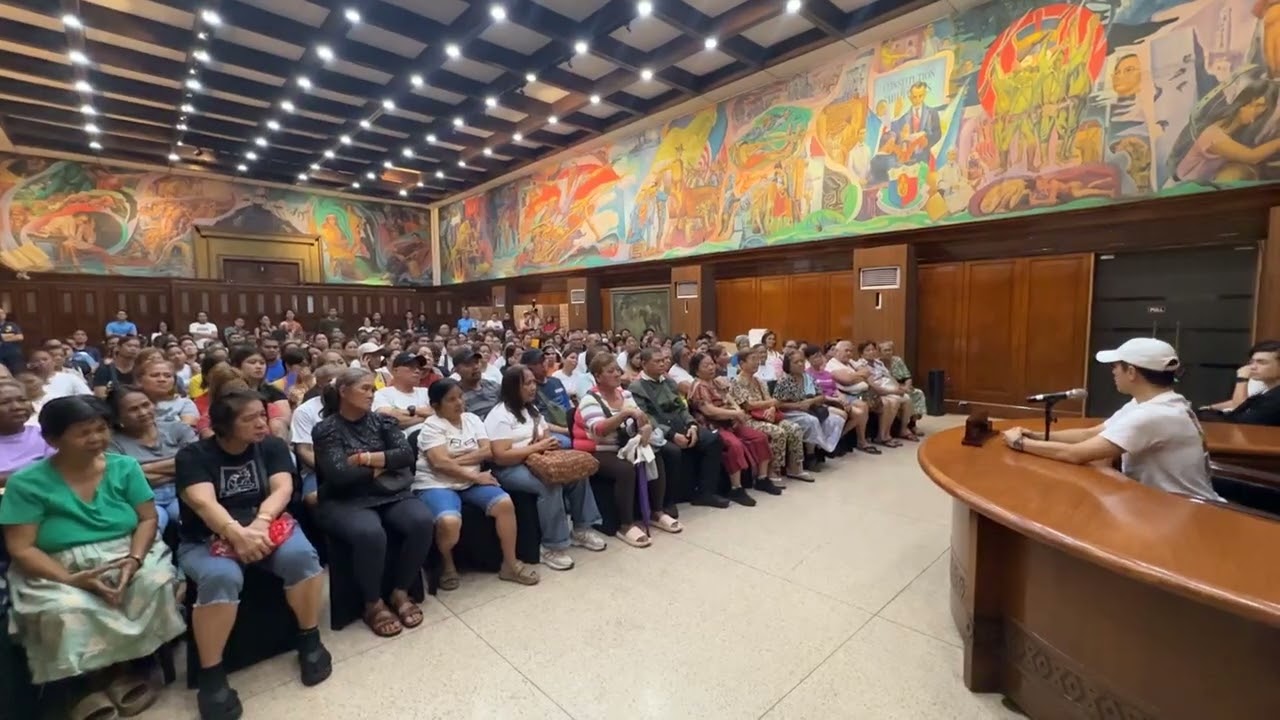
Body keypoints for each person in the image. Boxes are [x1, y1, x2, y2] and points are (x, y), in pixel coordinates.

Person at [0, 396, 186, 708]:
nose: (96, 438)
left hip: (126, 550)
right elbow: (21, 547)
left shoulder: (124, 467)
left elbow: (147, 519)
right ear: (52, 440)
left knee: (152, 583)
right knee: (65, 608)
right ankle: (91, 681)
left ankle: (130, 666)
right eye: (83, 433)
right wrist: (71, 579)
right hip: (56, 565)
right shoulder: (26, 483)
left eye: (101, 428)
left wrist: (134, 560)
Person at [176, 389, 331, 719]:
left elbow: (283, 489)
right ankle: (211, 673)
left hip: (267, 525)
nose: (262, 423)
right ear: (224, 425)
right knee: (221, 576)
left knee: (302, 558)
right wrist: (237, 534)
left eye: (262, 414)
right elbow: (203, 503)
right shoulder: (194, 456)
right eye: (250, 419)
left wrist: (260, 523)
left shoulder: (271, 446)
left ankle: (309, 637)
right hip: (208, 536)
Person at [1002, 338, 1219, 501]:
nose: (1113, 372)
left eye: (1115, 366)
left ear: (1131, 372)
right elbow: (1090, 434)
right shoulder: (1151, 403)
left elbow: (1075, 454)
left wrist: (1020, 443)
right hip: (1160, 504)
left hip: (1183, 510)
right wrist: (1037, 436)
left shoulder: (1154, 415)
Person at [311, 368, 433, 637]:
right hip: (344, 499)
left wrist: (364, 459)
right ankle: (372, 603)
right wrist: (383, 464)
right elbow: (340, 476)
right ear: (344, 391)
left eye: (373, 389)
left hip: (388, 492)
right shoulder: (326, 429)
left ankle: (400, 591)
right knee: (370, 533)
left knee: (422, 521)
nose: (371, 394)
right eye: (365, 389)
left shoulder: (382, 421)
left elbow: (406, 455)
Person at [414, 378, 539, 588]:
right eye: (451, 399)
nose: (459, 403)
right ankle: (447, 565)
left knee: (504, 504)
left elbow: (487, 451)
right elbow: (439, 464)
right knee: (449, 522)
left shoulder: (472, 419)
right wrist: (470, 472)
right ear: (436, 405)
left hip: (469, 480)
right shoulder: (431, 426)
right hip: (437, 483)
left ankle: (510, 564)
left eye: (460, 397)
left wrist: (452, 461)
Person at [486, 365, 606, 571]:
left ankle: (581, 529)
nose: (533, 387)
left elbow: (545, 436)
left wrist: (546, 443)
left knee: (577, 473)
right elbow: (501, 456)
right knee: (549, 485)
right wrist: (536, 447)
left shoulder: (530, 409)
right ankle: (552, 545)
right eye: (527, 383)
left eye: (534, 382)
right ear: (513, 387)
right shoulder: (500, 415)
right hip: (510, 468)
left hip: (537, 460)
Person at [579, 354, 687, 547]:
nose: (616, 374)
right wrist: (624, 414)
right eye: (610, 371)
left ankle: (656, 511)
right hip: (600, 449)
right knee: (625, 469)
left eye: (617, 370)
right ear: (598, 376)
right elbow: (599, 430)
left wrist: (645, 429)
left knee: (654, 454)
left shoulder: (625, 394)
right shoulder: (589, 399)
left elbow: (642, 419)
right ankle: (625, 524)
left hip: (626, 444)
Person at [630, 348, 730, 508]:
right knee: (673, 451)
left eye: (663, 360)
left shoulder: (669, 382)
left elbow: (682, 408)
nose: (662, 364)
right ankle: (668, 500)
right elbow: (648, 417)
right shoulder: (637, 387)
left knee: (713, 439)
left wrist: (692, 425)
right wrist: (671, 435)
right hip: (659, 431)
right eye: (657, 361)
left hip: (681, 424)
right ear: (643, 364)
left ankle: (706, 493)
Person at [107, 385, 197, 535]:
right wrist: (178, 467)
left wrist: (140, 470)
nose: (143, 412)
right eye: (133, 409)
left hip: (183, 492)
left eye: (146, 405)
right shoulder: (112, 443)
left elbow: (197, 463)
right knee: (152, 528)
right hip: (142, 500)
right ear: (118, 417)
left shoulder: (176, 429)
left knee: (196, 518)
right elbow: (122, 481)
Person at [685, 352, 770, 501]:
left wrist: (738, 412)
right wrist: (734, 414)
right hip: (712, 425)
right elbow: (709, 411)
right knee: (734, 445)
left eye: (712, 364)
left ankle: (762, 479)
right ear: (696, 370)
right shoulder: (698, 386)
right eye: (706, 365)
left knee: (760, 437)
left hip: (730, 421)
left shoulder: (717, 382)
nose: (711, 367)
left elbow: (731, 399)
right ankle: (736, 488)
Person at [731, 349, 815, 482]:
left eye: (757, 359)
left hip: (767, 415)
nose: (757, 362)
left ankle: (795, 468)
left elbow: (772, 401)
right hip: (749, 419)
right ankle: (773, 470)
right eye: (753, 359)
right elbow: (748, 406)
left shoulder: (759, 381)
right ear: (742, 363)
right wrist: (771, 403)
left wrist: (771, 409)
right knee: (778, 432)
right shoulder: (736, 382)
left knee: (794, 428)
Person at [774, 349, 845, 457]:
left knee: (836, 419)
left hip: (810, 408)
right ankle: (810, 454)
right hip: (791, 412)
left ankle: (823, 448)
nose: (800, 364)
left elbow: (821, 396)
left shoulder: (808, 378)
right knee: (812, 421)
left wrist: (810, 401)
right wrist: (798, 405)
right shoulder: (784, 381)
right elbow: (777, 404)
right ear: (788, 365)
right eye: (796, 362)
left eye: (802, 361)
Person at [805, 346, 874, 453]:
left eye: (820, 356)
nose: (818, 359)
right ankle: (827, 443)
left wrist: (842, 398)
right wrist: (837, 400)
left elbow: (835, 389)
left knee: (859, 413)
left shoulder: (826, 373)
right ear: (808, 359)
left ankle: (838, 437)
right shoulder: (808, 374)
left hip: (836, 399)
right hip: (823, 402)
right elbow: (816, 395)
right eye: (815, 357)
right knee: (846, 414)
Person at [1204, 340, 1280, 426]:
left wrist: (1242, 379)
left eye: (1262, 362)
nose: (1252, 367)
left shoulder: (1275, 398)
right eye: (1251, 362)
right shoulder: (1266, 391)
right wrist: (1209, 408)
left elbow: (1240, 420)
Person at [853, 341, 917, 443]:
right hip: (875, 392)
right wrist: (894, 391)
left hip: (888, 388)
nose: (871, 352)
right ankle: (882, 435)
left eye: (873, 349)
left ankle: (902, 429)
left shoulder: (878, 363)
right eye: (868, 350)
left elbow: (889, 377)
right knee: (894, 401)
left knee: (907, 399)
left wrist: (899, 388)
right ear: (861, 354)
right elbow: (873, 386)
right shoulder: (860, 365)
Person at [229, 344, 291, 438]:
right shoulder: (229, 391)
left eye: (262, 363)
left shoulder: (273, 391)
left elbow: (283, 419)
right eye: (252, 362)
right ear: (237, 366)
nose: (258, 366)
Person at [0, 379, 50, 484]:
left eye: (22, 400)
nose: (17, 407)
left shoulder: (47, 435)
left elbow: (60, 470)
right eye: (4, 402)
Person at [373, 352, 433, 436]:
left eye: (419, 367)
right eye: (411, 367)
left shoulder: (426, 392)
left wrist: (411, 411)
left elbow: (438, 413)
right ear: (395, 371)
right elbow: (391, 420)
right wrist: (426, 417)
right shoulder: (382, 394)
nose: (417, 371)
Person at [522, 348, 573, 448]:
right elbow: (538, 421)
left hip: (568, 424)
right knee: (566, 442)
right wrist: (566, 430)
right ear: (529, 368)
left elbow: (569, 406)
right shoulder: (529, 390)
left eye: (544, 359)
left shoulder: (556, 381)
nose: (544, 363)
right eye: (539, 362)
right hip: (548, 429)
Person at [137, 353, 198, 426]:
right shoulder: (131, 404)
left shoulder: (185, 404)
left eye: (168, 376)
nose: (162, 379)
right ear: (140, 380)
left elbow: (186, 428)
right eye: (155, 375)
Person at [878, 340, 926, 431]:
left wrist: (907, 387)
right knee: (904, 396)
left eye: (890, 350)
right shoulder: (878, 363)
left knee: (918, 393)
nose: (888, 352)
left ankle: (912, 424)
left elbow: (907, 376)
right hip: (889, 388)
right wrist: (900, 388)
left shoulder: (897, 360)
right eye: (885, 350)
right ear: (880, 352)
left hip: (902, 385)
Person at [453, 347, 501, 419]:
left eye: (476, 362)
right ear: (456, 370)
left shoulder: (493, 386)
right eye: (468, 364)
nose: (475, 367)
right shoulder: (456, 396)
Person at [0, 306, 26, 375]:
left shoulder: (12, 325)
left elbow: (20, 337)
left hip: (13, 353)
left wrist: (2, 337)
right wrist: (11, 335)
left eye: (2, 313)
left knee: (18, 373)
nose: (0, 315)